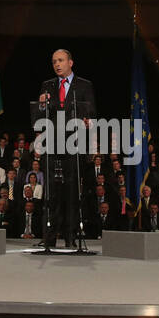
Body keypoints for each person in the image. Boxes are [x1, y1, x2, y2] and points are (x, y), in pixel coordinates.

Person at [32, 48, 96, 249]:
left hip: (74, 145)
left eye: (60, 60)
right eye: (53, 62)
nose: (57, 64)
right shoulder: (47, 85)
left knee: (71, 192)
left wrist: (89, 124)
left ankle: (71, 237)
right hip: (52, 145)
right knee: (51, 193)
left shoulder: (84, 85)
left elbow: (92, 115)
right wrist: (41, 107)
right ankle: (49, 238)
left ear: (70, 62)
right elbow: (41, 118)